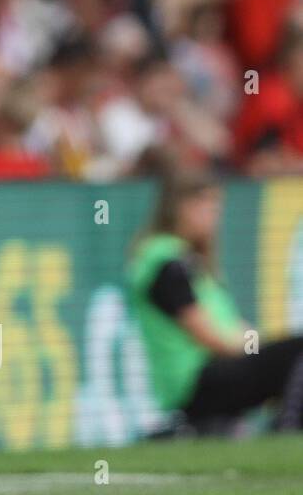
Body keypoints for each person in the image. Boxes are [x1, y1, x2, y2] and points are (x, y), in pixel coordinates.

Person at [127, 167, 303, 432]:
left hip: (213, 372)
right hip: (195, 383)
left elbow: (233, 327)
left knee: (289, 357)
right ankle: (287, 429)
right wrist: (258, 352)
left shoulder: (191, 262)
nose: (215, 214)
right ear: (181, 207)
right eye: (208, 204)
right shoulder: (167, 264)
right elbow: (212, 338)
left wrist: (261, 349)